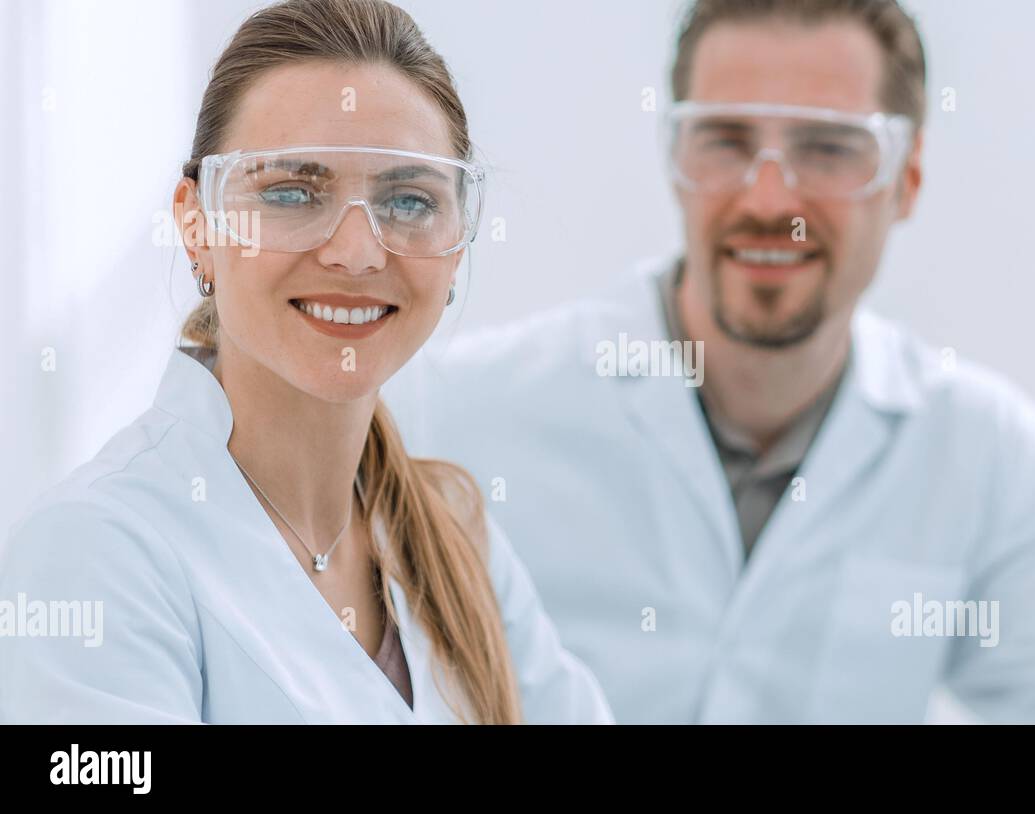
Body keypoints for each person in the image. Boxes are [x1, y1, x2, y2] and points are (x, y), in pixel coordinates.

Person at [387, 0, 1035, 723]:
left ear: (909, 177)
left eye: (828, 147)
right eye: (726, 141)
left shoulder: (981, 450)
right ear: (676, 159)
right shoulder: (455, 411)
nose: (769, 199)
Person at [0, 0, 611, 725]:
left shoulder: (455, 535)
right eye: (291, 192)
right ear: (196, 225)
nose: (356, 252)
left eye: (409, 201)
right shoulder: (95, 551)